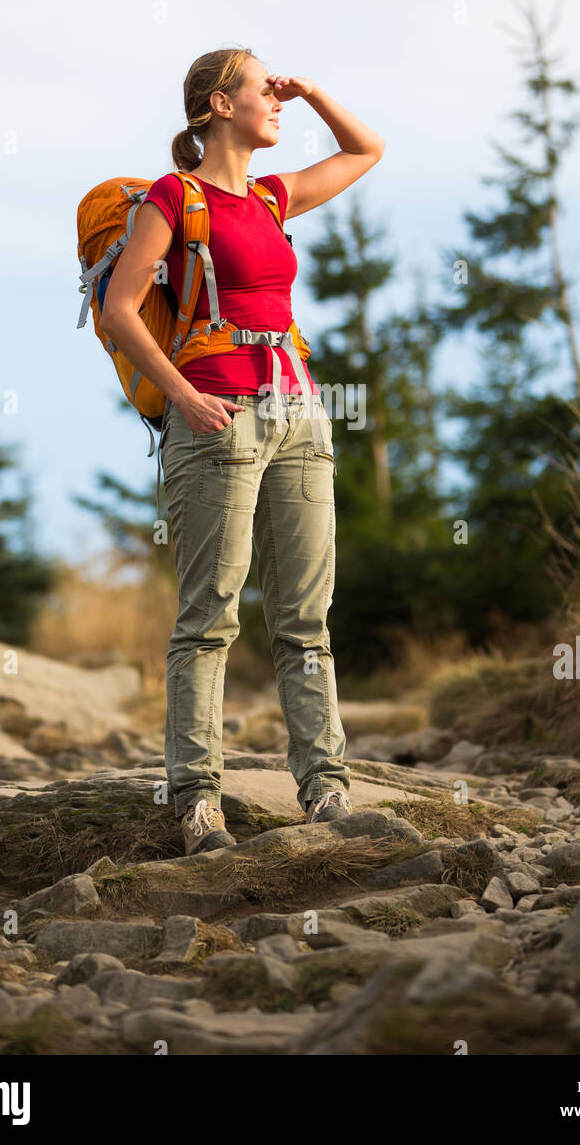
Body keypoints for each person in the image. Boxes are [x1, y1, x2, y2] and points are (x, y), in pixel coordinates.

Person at [100, 46, 385, 854]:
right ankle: (197, 804)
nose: (278, 101)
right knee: (208, 621)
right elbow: (123, 306)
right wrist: (183, 394)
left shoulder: (271, 197)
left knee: (305, 620)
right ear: (220, 105)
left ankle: (326, 794)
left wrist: (317, 91)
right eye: (266, 89)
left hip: (300, 416)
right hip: (214, 420)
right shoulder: (176, 196)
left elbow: (368, 151)